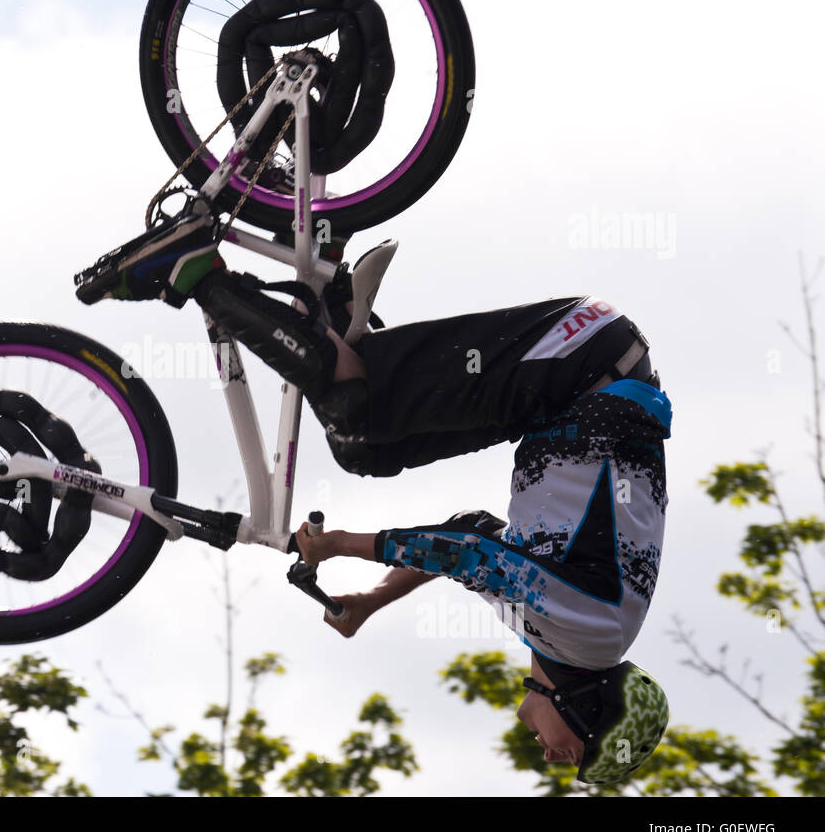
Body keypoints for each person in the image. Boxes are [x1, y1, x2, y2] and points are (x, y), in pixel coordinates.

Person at [83, 221, 673, 784]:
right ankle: (196, 273)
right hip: (583, 366)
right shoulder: (589, 637)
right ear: (588, 710)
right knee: (360, 408)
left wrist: (372, 599)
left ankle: (325, 280)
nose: (551, 758)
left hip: (573, 382)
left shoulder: (566, 628)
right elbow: (470, 554)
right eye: (572, 755)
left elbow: (471, 532)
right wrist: (341, 546)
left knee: (362, 447)